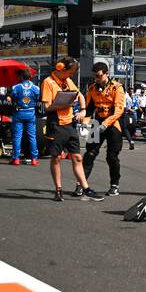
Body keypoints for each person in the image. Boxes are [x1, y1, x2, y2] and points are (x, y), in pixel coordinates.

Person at [40, 58, 103, 202]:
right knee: (56, 158)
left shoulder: (67, 81)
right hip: (55, 125)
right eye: (70, 72)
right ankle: (58, 190)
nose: (72, 75)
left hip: (70, 124)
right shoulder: (48, 82)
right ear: (61, 68)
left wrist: (82, 110)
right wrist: (65, 103)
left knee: (77, 157)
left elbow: (80, 95)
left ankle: (86, 189)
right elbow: (47, 107)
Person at [80, 62, 127, 197]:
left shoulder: (117, 87)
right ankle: (81, 184)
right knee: (89, 154)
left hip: (113, 123)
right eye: (95, 76)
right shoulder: (92, 88)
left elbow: (119, 110)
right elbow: (88, 109)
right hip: (97, 123)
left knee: (112, 156)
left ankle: (114, 185)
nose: (97, 79)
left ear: (106, 74)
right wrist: (85, 122)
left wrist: (105, 124)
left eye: (99, 76)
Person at [8, 67, 40, 165]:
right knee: (32, 137)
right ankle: (34, 159)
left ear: (22, 76)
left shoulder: (16, 87)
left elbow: (13, 97)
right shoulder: (36, 88)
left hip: (19, 113)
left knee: (17, 136)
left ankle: (16, 158)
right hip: (30, 113)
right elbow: (37, 98)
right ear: (30, 77)